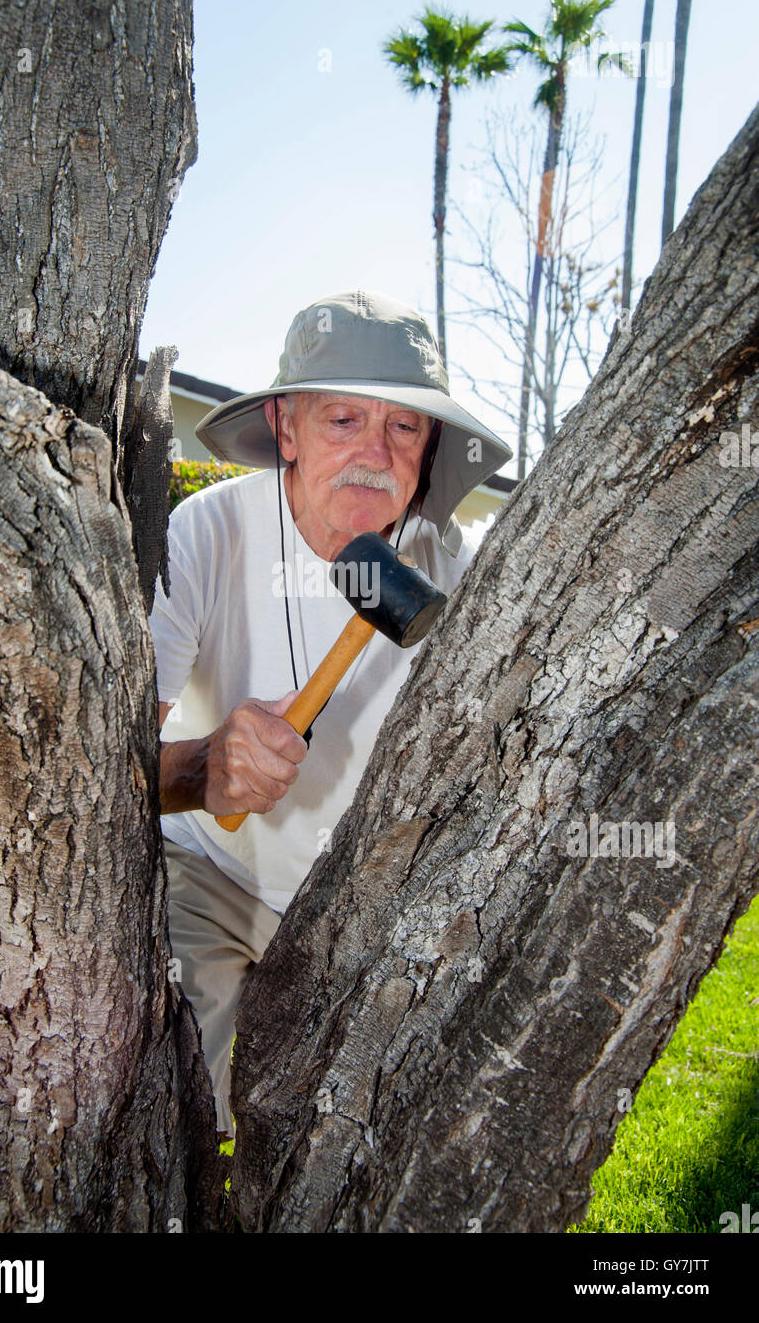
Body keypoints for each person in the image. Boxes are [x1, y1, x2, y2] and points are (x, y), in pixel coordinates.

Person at [148, 289, 511, 1137]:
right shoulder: (208, 531)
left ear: (429, 450)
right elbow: (100, 764)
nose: (375, 456)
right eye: (344, 420)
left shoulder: (455, 569)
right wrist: (203, 767)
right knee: (179, 1115)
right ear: (284, 428)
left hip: (352, 901)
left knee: (341, 1139)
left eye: (405, 428)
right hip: (208, 872)